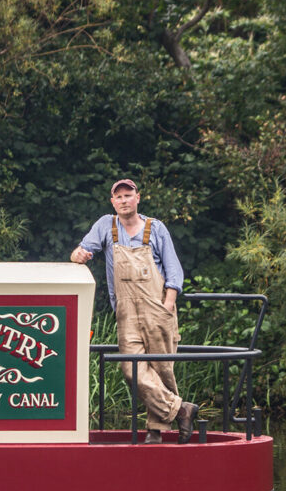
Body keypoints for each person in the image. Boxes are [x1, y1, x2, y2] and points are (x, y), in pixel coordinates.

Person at [70, 179, 198, 444]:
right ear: (112, 201)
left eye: (128, 195)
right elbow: (81, 251)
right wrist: (78, 256)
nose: (124, 200)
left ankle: (156, 432)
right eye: (119, 197)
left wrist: (168, 305)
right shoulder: (106, 225)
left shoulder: (156, 228)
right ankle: (181, 409)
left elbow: (174, 271)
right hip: (126, 312)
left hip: (157, 306)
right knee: (131, 368)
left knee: (162, 369)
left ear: (138, 198)